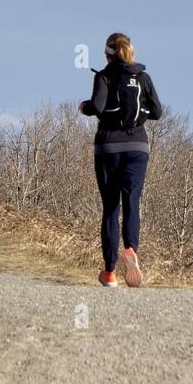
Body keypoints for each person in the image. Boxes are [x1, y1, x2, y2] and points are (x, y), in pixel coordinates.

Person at [78, 32, 163, 287]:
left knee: (111, 208)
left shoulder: (103, 76)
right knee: (132, 201)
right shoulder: (143, 78)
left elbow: (99, 106)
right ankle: (131, 250)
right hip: (138, 147)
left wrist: (85, 107)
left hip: (108, 148)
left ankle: (110, 273)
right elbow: (157, 112)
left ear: (107, 54)